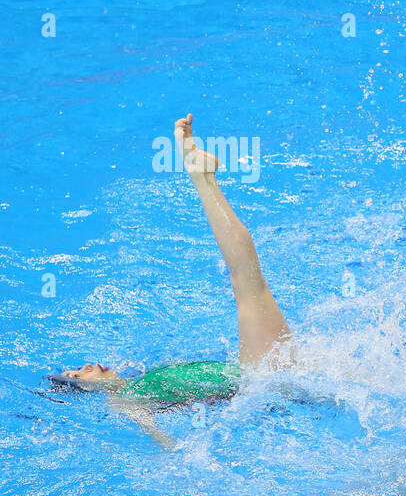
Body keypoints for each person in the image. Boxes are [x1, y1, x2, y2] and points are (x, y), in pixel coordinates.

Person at [51, 114, 294, 445]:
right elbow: (165, 444)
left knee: (248, 282)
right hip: (265, 377)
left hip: (270, 374)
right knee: (247, 282)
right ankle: (202, 178)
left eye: (77, 367)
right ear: (82, 388)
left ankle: (202, 177)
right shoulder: (124, 402)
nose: (87, 366)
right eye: (76, 375)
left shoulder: (145, 378)